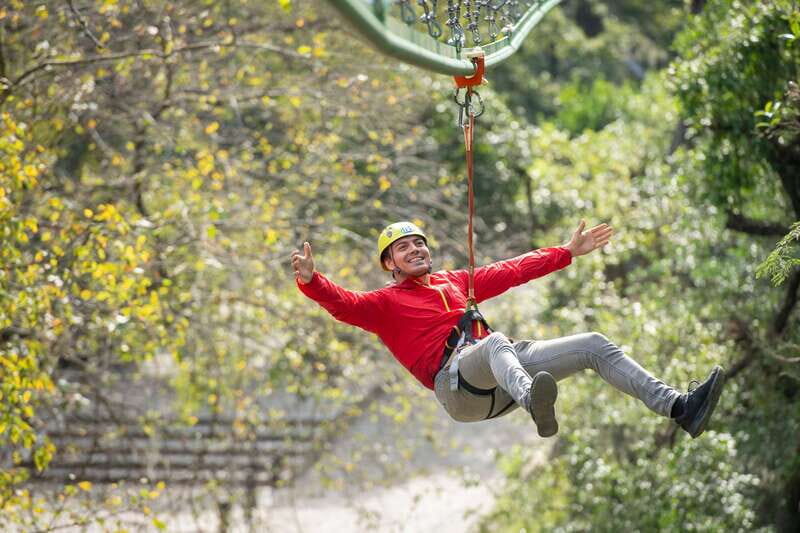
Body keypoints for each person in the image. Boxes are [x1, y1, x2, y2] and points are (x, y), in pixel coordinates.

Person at [291, 221, 725, 438]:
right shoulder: (385, 304)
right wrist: (312, 280)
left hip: (500, 372)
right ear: (390, 264)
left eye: (419, 243)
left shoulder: (454, 281)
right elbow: (342, 304)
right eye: (403, 248)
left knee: (594, 344)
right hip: (459, 389)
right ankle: (533, 399)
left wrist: (567, 252)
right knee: (497, 341)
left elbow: (513, 270)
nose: (416, 250)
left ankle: (679, 408)